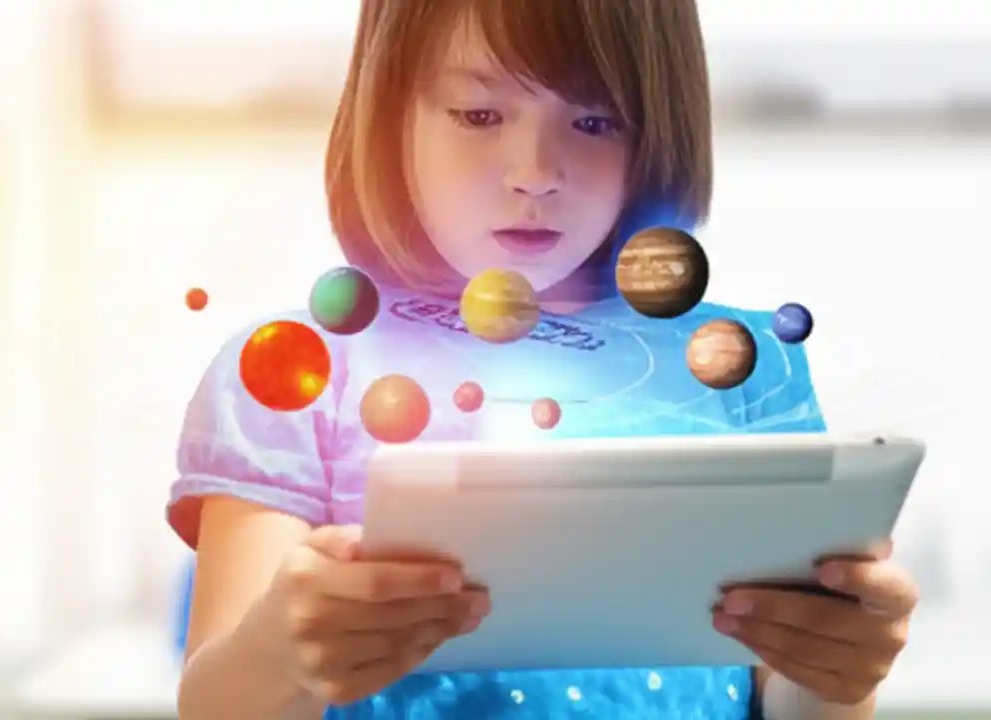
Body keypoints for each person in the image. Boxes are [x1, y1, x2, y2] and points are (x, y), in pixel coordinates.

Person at [167, 1, 920, 717]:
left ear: (654, 130)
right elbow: (216, 707)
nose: (535, 171)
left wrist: (838, 674)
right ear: (391, 110)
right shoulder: (298, 371)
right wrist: (280, 650)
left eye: (594, 121)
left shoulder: (742, 367)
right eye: (480, 114)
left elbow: (795, 702)